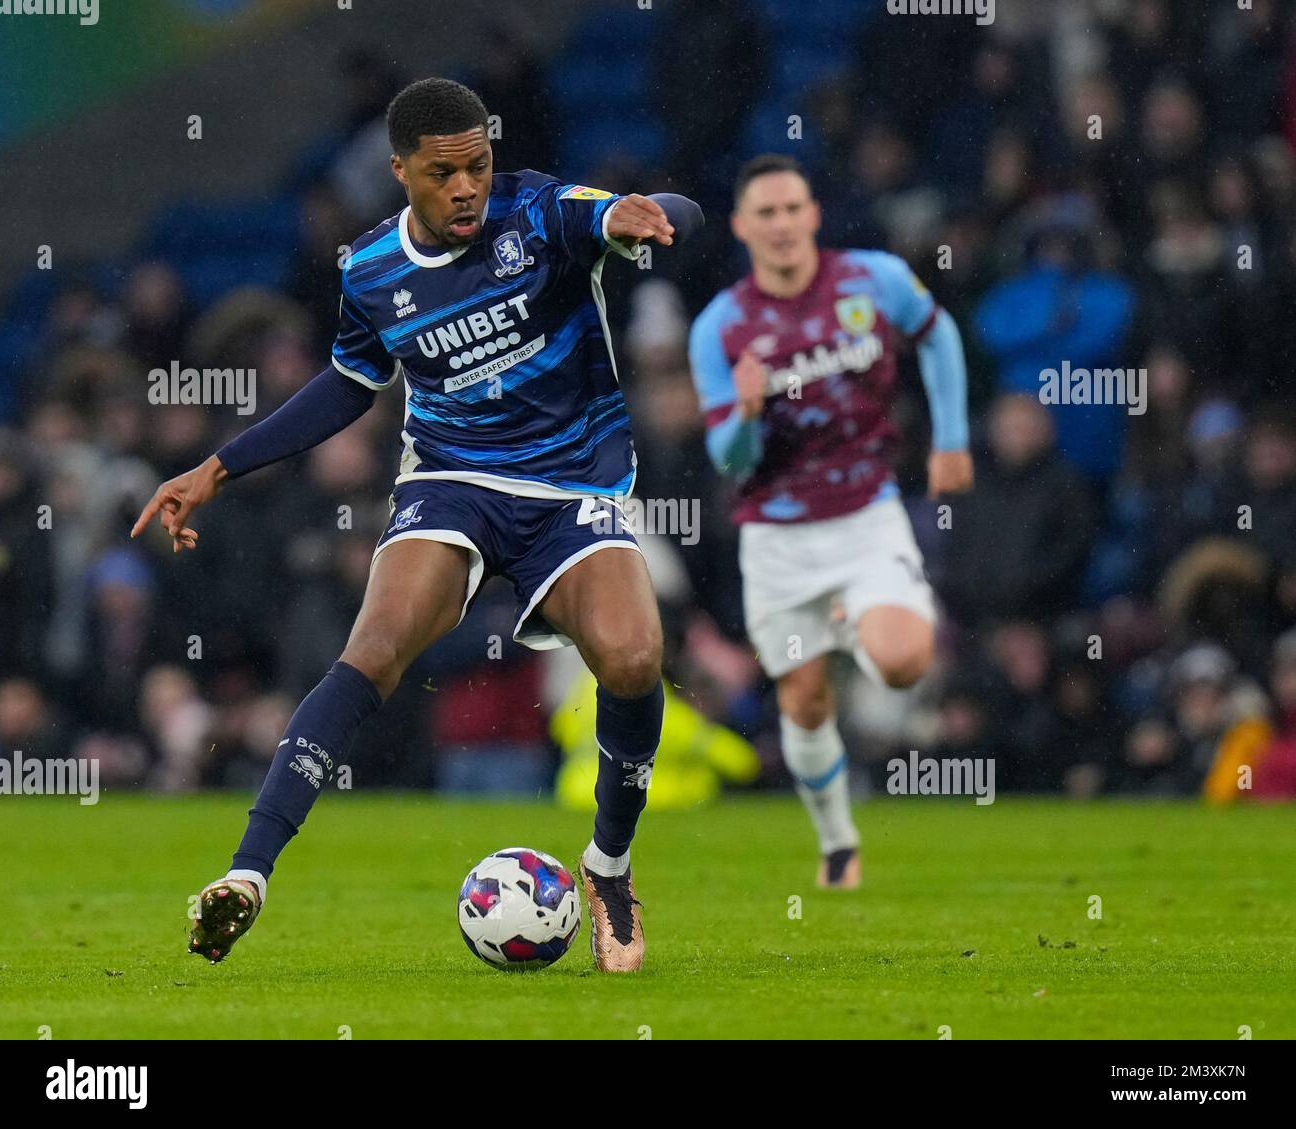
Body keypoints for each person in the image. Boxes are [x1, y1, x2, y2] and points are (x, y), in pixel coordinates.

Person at [131, 77, 703, 973]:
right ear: (400, 172)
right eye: (445, 173)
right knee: (375, 646)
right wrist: (218, 466)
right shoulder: (370, 271)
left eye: (478, 165)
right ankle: (247, 873)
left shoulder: (542, 210)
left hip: (570, 484)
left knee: (634, 660)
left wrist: (649, 213)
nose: (469, 186)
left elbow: (673, 212)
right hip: (452, 481)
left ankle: (610, 867)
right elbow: (347, 385)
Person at [688, 154, 971, 889]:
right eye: (766, 214)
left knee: (905, 662)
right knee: (805, 697)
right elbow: (728, 456)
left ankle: (857, 619)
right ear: (742, 226)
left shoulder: (871, 280)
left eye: (793, 209)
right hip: (778, 535)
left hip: (866, 514)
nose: (782, 225)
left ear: (813, 214)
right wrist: (748, 412)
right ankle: (838, 842)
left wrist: (950, 439)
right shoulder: (721, 326)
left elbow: (937, 335)